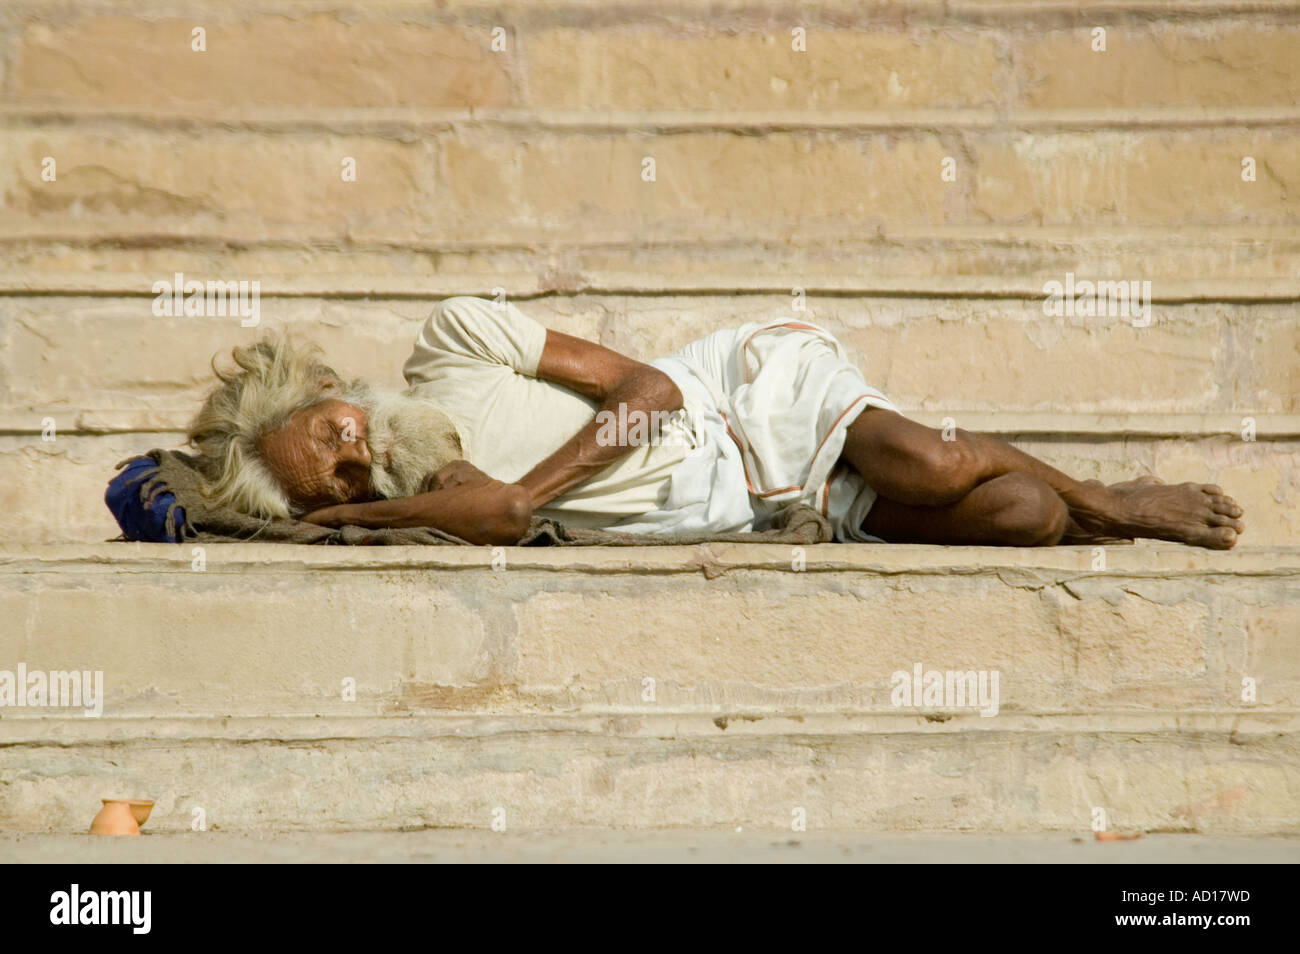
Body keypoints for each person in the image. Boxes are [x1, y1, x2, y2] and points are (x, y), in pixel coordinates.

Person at [187, 296, 1245, 548]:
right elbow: (491, 519)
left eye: (334, 429)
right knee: (1014, 518)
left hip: (734, 401)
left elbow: (648, 395)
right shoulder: (419, 505)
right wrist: (355, 519)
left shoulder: (454, 340)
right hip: (760, 504)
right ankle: (1073, 511)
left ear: (335, 393)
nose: (357, 452)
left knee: (931, 459)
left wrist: (529, 493)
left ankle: (1116, 497)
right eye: (336, 475)